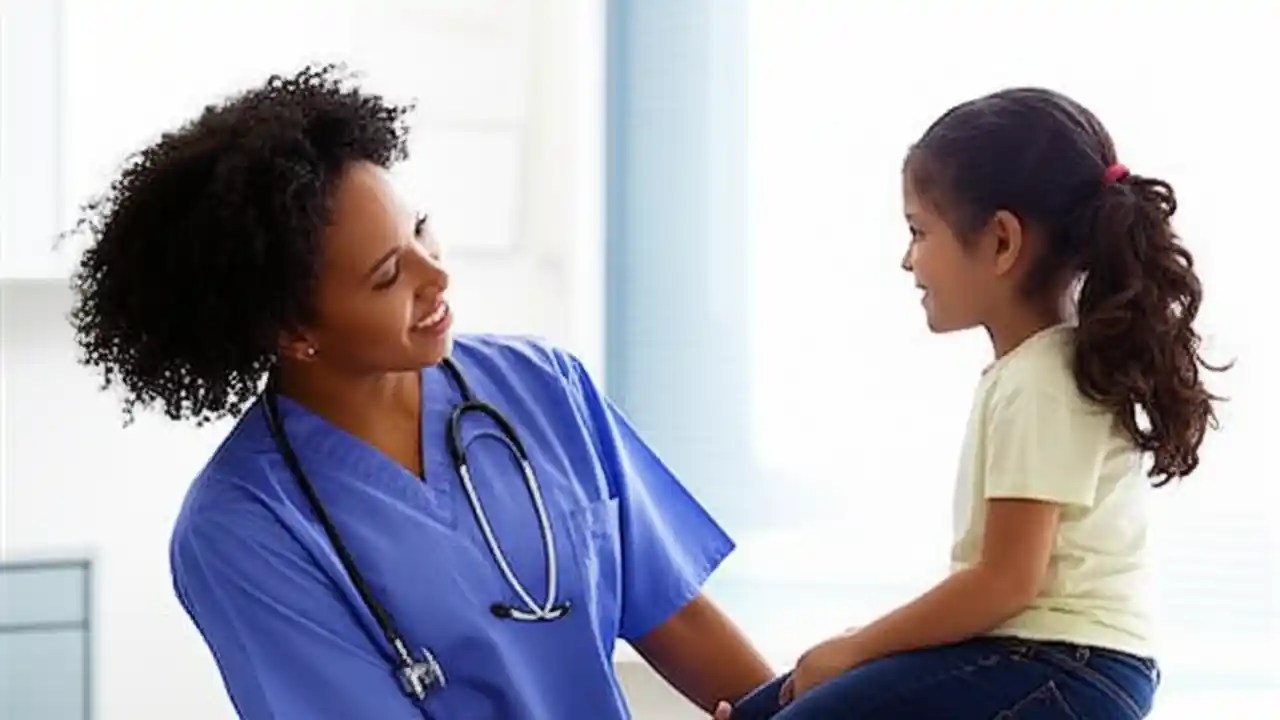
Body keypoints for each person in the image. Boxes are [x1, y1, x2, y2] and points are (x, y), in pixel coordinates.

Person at [67, 63, 772, 719]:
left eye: (421, 232)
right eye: (386, 276)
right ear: (291, 332)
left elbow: (676, 615)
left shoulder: (543, 387)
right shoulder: (244, 526)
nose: (435, 276)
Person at [728, 88, 1226, 719]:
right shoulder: (1043, 369)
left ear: (1000, 241)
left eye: (918, 231)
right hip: (1066, 665)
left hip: (1063, 668)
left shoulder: (1040, 381)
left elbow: (1005, 582)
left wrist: (854, 653)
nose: (908, 260)